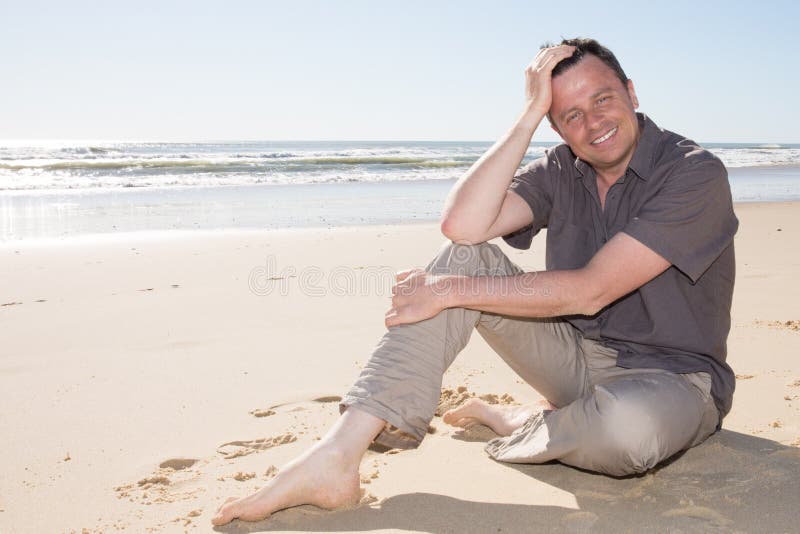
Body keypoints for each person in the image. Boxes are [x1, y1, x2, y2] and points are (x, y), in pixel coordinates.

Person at [212, 37, 738, 526]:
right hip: (575, 358)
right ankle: (337, 455)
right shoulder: (562, 166)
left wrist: (446, 291)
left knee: (628, 433)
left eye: (603, 99)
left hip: (674, 379)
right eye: (570, 115)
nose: (592, 122)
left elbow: (590, 289)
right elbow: (462, 226)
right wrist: (530, 114)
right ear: (556, 128)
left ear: (631, 91)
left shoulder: (693, 172)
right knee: (465, 257)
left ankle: (520, 422)